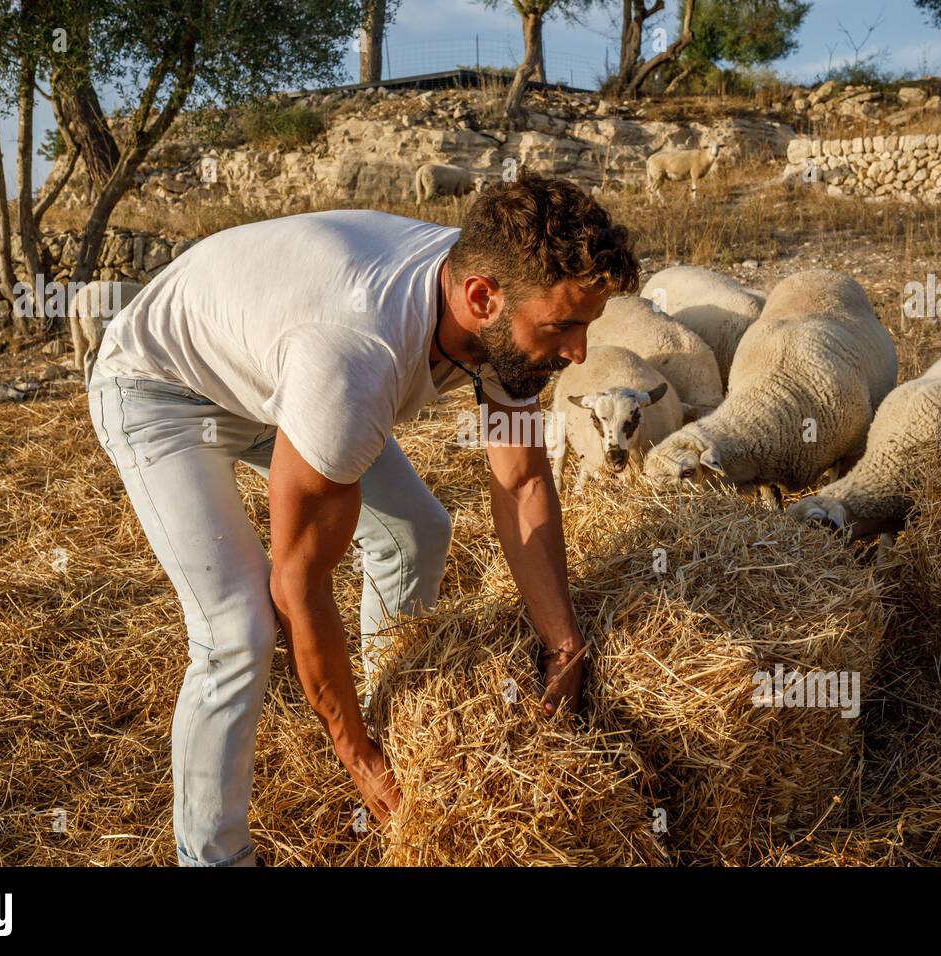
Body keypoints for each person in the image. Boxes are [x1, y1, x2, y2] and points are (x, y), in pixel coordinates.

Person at [86, 170, 640, 866]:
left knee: (418, 533)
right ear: (480, 298)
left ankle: (395, 716)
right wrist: (356, 758)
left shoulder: (500, 302)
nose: (579, 353)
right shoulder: (358, 359)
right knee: (238, 630)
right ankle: (215, 856)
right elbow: (299, 586)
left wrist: (564, 644)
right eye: (565, 328)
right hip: (160, 385)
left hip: (275, 369)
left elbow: (523, 480)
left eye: (584, 326)